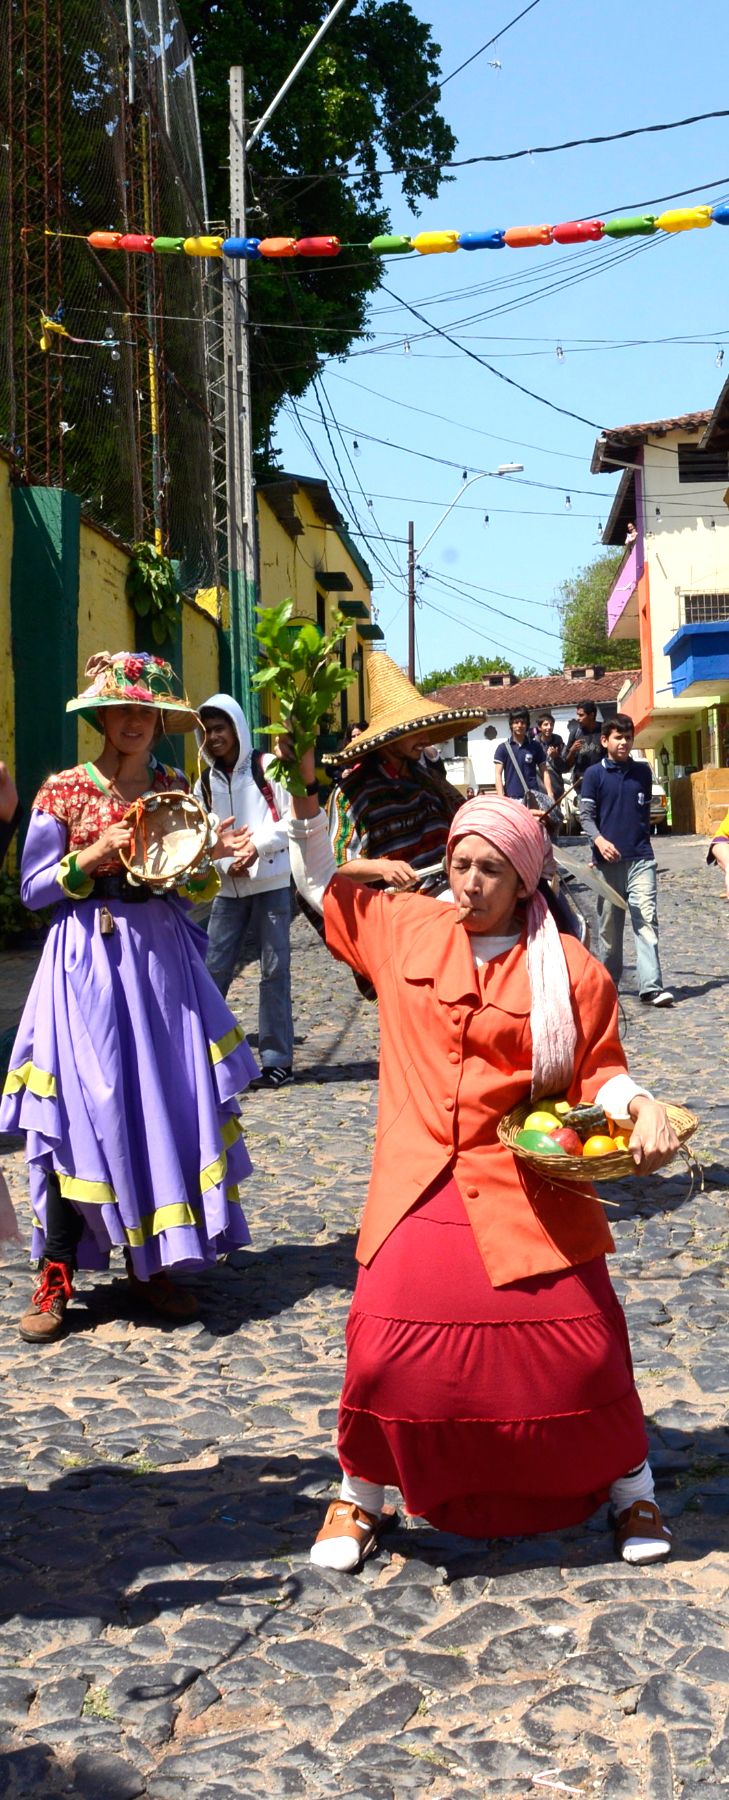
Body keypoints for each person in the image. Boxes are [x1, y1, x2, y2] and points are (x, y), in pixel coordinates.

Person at [287, 766, 677, 1571]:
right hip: (417, 1182)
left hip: (525, 1187)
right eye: (460, 862)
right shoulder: (403, 928)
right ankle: (359, 1494)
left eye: (488, 868)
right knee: (383, 1353)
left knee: (585, 1354)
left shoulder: (568, 968)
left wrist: (640, 1108)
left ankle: (629, 1487)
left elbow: (598, 1072)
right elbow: (318, 883)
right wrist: (309, 807)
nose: (468, 880)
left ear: (523, 877)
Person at [0, 652, 259, 1343]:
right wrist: (95, 852)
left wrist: (219, 863)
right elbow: (32, 893)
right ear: (101, 718)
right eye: (123, 710)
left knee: (161, 1107)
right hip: (85, 963)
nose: (135, 721)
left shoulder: (176, 786)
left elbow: (189, 884)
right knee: (78, 1111)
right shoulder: (63, 792)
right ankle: (56, 1271)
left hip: (160, 961)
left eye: (147, 711)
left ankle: (153, 1264)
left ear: (161, 721)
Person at [195, 696, 294, 1090]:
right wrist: (223, 862)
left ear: (236, 727)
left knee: (274, 971)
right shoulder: (204, 780)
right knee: (212, 971)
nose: (214, 737)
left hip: (270, 884)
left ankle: (277, 1058)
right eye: (207, 731)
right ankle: (205, 1054)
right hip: (227, 889)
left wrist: (256, 848)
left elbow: (291, 822)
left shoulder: (267, 769)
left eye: (220, 728)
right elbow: (203, 837)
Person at [325, 653, 486, 885]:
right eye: (415, 730)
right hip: (397, 913)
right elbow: (337, 863)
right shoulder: (352, 794)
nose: (426, 737)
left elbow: (464, 815)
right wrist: (382, 867)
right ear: (390, 737)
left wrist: (507, 816)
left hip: (448, 896)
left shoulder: (428, 779)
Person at [579, 715, 673, 1008]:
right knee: (609, 929)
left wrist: (640, 842)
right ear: (605, 741)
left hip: (641, 859)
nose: (624, 742)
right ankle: (608, 984)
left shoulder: (643, 772)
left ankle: (651, 987)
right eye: (618, 737)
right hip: (607, 864)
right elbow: (585, 817)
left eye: (628, 737)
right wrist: (599, 842)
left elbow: (643, 814)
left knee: (646, 920)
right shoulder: (593, 775)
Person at [494, 708, 557, 807]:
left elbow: (544, 771)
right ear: (511, 725)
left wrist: (550, 794)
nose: (519, 725)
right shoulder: (503, 748)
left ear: (527, 724)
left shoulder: (535, 746)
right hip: (512, 799)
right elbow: (498, 774)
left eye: (523, 722)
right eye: (516, 722)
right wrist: (501, 798)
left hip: (533, 798)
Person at [564, 701, 604, 780]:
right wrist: (572, 751)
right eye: (577, 715)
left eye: (581, 715)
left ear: (591, 715)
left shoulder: (604, 730)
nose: (577, 718)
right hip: (581, 782)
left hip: (601, 780)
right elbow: (567, 765)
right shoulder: (575, 733)